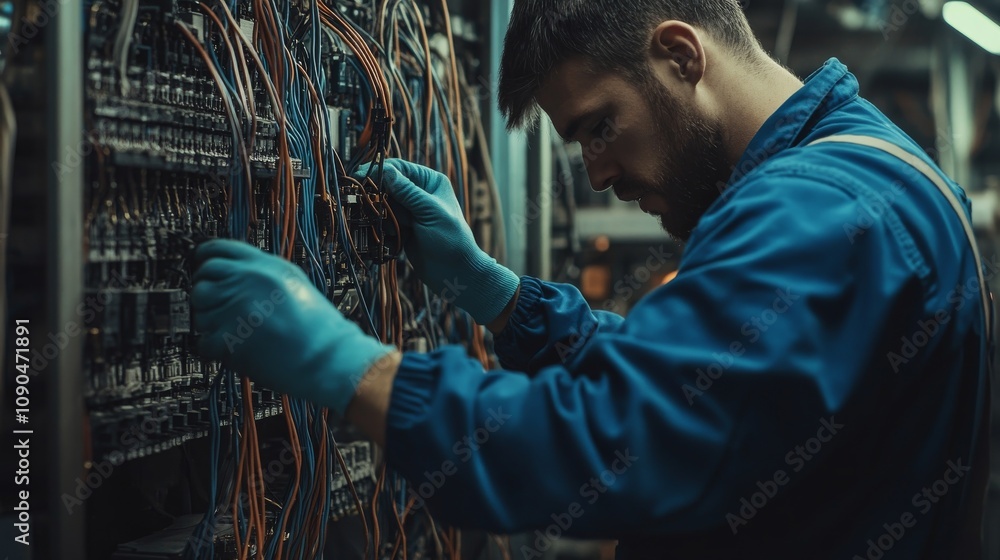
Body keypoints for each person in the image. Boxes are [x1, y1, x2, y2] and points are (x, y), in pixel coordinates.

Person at [190, 0, 993, 557]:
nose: (598, 171)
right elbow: (716, 389)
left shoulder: (814, 214)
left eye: (600, 126)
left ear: (681, 55)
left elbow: (611, 442)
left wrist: (342, 364)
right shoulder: (863, 165)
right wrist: (500, 298)